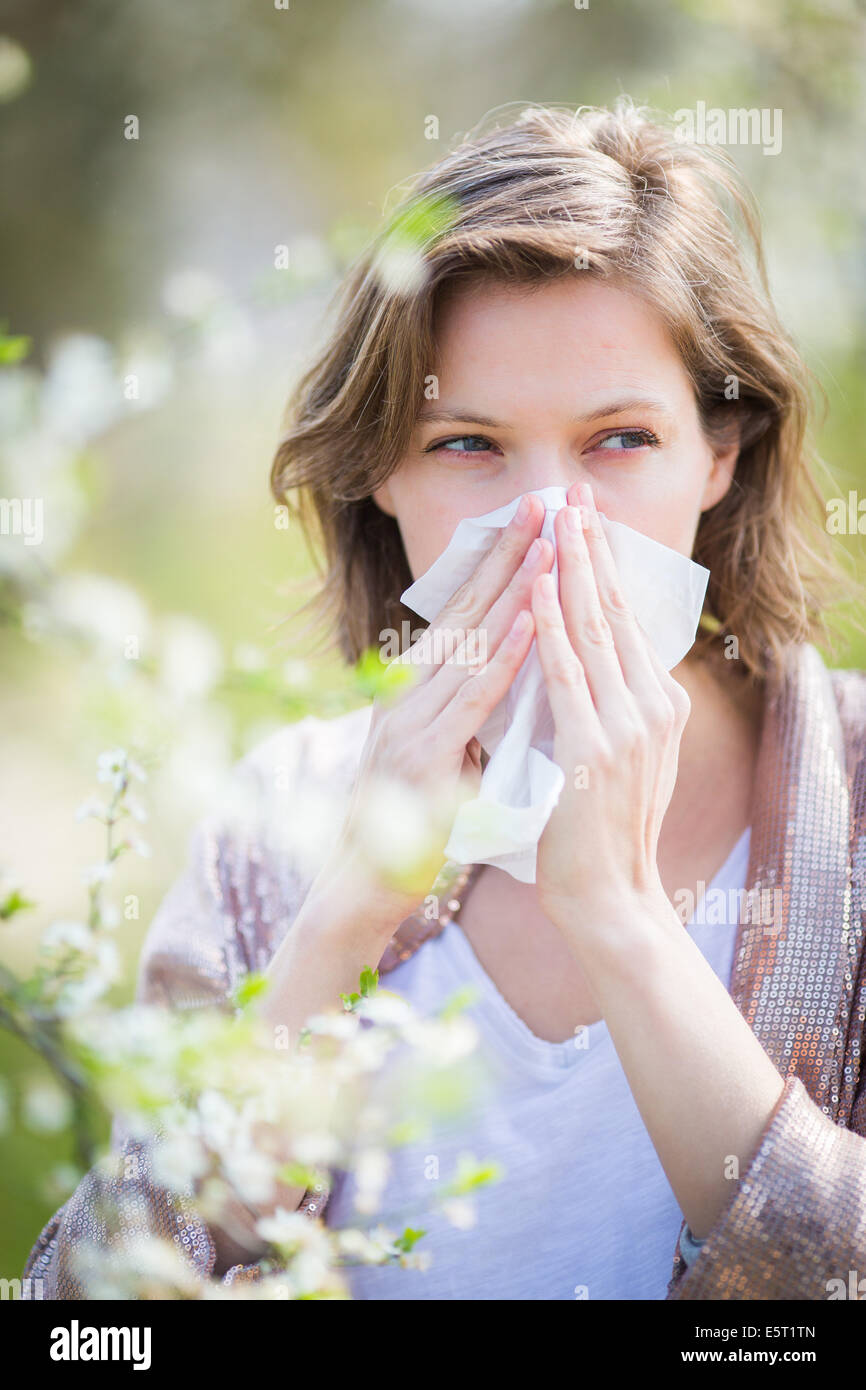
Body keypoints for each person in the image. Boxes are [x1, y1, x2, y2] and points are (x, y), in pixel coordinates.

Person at [24, 99, 866, 1301]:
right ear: (379, 473)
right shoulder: (279, 827)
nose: (548, 519)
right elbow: (87, 1312)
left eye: (618, 439)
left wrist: (622, 918)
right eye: (468, 444)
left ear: (718, 452)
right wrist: (344, 915)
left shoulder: (855, 792)